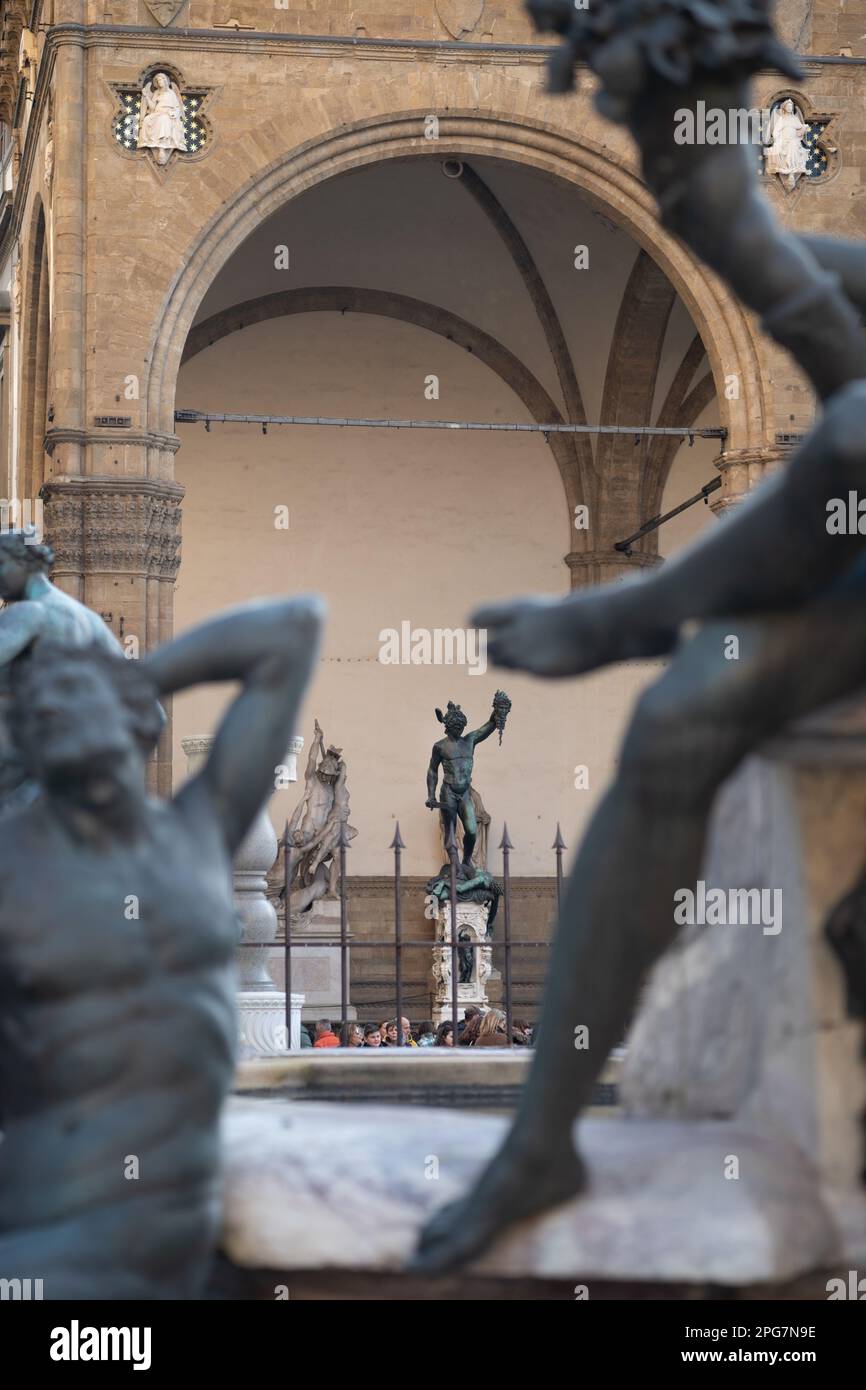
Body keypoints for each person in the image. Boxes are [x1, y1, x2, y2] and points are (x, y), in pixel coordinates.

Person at [0, 593, 323, 1297]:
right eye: (33, 708)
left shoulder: (197, 833)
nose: (50, 707)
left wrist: (136, 676)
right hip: (48, 1233)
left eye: (71, 693)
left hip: (188, 1229)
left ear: (133, 714)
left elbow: (292, 632)